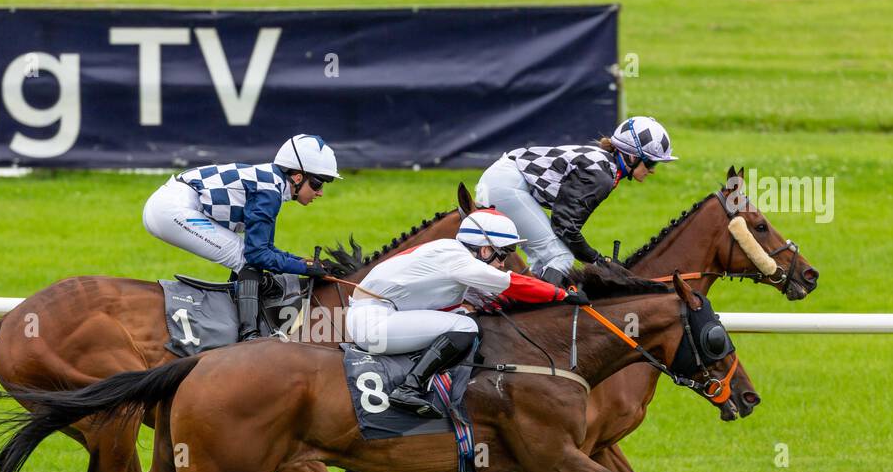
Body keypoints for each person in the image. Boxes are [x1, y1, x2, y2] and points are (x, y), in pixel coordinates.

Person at [345, 210, 587, 417]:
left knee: (465, 317)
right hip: (373, 323)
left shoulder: (452, 254)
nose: (503, 262)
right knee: (466, 327)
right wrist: (561, 294)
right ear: (484, 250)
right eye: (502, 254)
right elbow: (510, 283)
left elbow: (493, 298)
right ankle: (409, 388)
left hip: (376, 315)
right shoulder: (457, 260)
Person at [142, 134, 337, 340]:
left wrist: (303, 262)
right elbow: (257, 255)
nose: (320, 192)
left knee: (244, 256)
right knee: (245, 259)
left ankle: (235, 318)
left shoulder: (272, 184)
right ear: (298, 177)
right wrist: (303, 268)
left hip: (171, 204)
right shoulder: (269, 190)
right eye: (318, 184)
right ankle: (249, 335)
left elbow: (266, 249)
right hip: (172, 209)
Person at [475, 116, 677, 285]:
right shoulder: (601, 176)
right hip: (506, 185)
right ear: (632, 157)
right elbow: (565, 226)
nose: (652, 169)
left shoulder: (606, 166)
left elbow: (565, 227)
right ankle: (536, 314)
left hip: (503, 181)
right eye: (651, 162)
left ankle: (527, 310)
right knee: (560, 258)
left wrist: (597, 260)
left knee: (546, 258)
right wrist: (598, 261)